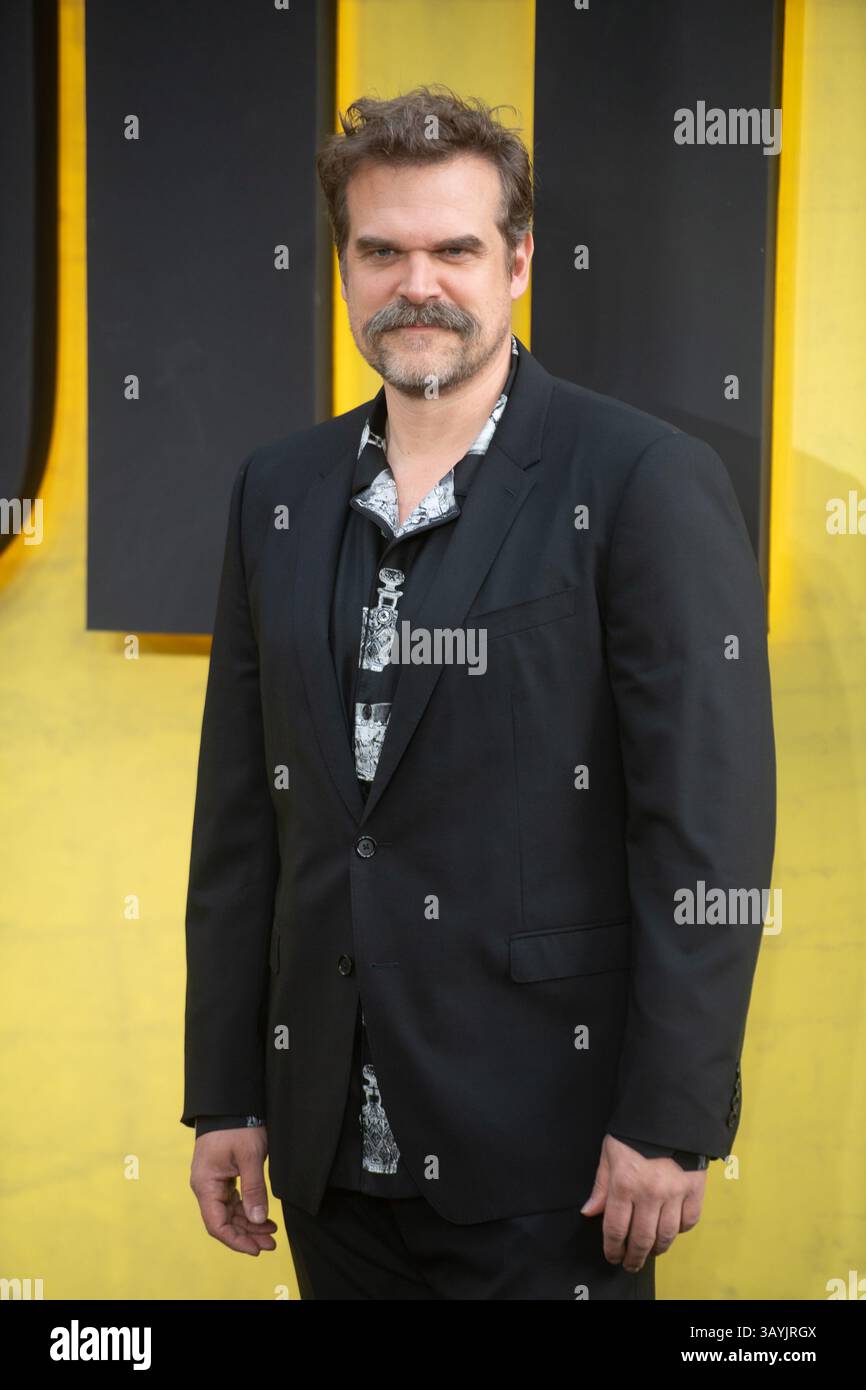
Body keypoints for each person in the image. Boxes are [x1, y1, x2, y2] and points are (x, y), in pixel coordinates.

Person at [182, 86, 776, 1300]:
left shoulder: (643, 479)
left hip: (551, 1159)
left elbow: (702, 827)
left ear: (516, 262)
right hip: (328, 1155)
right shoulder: (275, 490)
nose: (418, 282)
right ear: (341, 268)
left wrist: (670, 1116)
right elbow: (242, 821)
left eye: (454, 248)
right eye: (381, 250)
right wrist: (228, 1090)